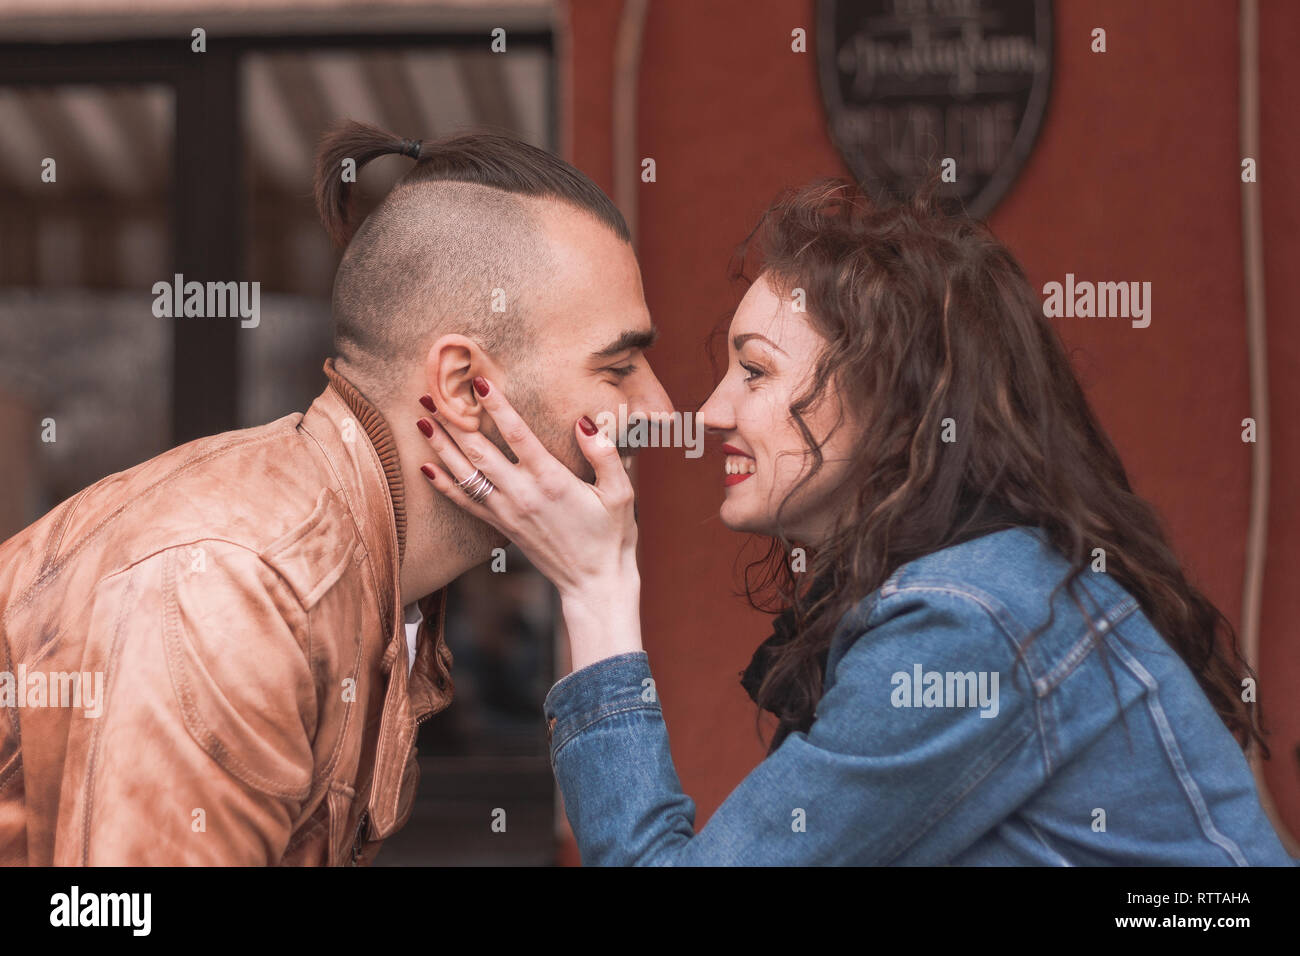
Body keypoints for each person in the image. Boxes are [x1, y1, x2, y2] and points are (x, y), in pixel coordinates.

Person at [417, 179, 1297, 865]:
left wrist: (597, 589)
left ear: (893, 402)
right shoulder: (980, 592)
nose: (712, 411)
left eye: (755, 373)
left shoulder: (969, 625)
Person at [0, 120, 672, 864]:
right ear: (461, 385)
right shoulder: (229, 586)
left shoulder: (374, 582)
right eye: (617, 369)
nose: (662, 413)